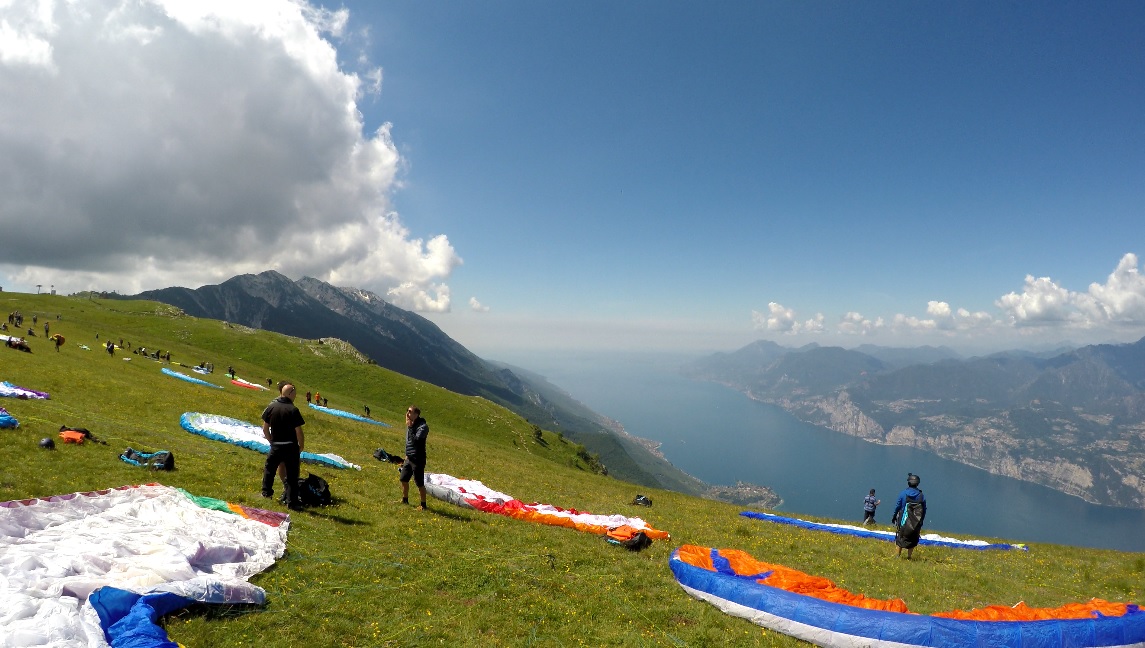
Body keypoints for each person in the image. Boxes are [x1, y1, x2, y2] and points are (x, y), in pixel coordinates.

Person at [261, 382, 306, 511]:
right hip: (291, 447)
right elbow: (299, 431)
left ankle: (266, 493)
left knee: (270, 469)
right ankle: (292, 502)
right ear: (291, 393)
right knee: (292, 475)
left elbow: (265, 429)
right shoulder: (293, 409)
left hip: (276, 446)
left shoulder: (272, 407)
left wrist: (272, 442)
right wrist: (300, 446)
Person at [399, 406, 430, 510]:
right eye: (407, 411)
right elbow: (408, 442)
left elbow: (416, 441)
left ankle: (423, 505)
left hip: (418, 459)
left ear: (416, 414)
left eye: (410, 412)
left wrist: (411, 427)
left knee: (419, 482)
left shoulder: (423, 427)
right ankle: (405, 499)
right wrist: (407, 454)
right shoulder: (410, 425)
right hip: (409, 457)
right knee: (403, 479)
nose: (407, 413)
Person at [891, 473, 926, 559]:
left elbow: (897, 506)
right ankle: (909, 556)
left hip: (903, 520)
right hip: (916, 521)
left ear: (908, 483)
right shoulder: (921, 496)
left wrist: (894, 516)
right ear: (917, 483)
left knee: (900, 537)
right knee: (913, 537)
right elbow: (924, 510)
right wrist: (921, 522)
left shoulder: (903, 493)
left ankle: (897, 556)